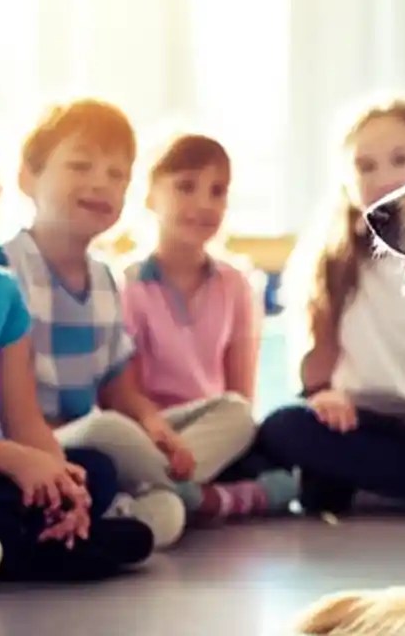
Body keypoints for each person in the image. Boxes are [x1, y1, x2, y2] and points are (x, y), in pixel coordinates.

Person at [0, 127, 153, 588]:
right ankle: (33, 551)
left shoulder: (0, 292)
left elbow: (25, 422)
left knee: (93, 472)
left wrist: (62, 487)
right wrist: (19, 462)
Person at [0, 100, 190, 549]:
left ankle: (140, 496)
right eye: (80, 165)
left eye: (117, 175)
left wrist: (152, 423)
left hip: (92, 445)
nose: (101, 183)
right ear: (27, 178)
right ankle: (182, 492)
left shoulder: (105, 279)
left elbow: (117, 386)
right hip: (30, 446)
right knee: (107, 434)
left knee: (230, 413)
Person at [257, 98, 405, 515]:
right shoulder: (332, 258)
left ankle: (389, 483)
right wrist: (322, 395)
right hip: (367, 422)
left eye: (400, 160)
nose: (384, 178)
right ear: (345, 179)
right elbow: (315, 364)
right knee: (283, 427)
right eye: (365, 166)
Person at [121, 134, 296, 525]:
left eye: (217, 192)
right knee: (120, 438)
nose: (204, 204)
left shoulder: (236, 284)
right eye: (185, 187)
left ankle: (179, 493)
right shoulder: (128, 285)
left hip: (216, 433)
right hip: (154, 432)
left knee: (271, 445)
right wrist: (164, 438)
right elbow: (125, 393)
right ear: (150, 195)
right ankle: (207, 496)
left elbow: (240, 397)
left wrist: (232, 435)